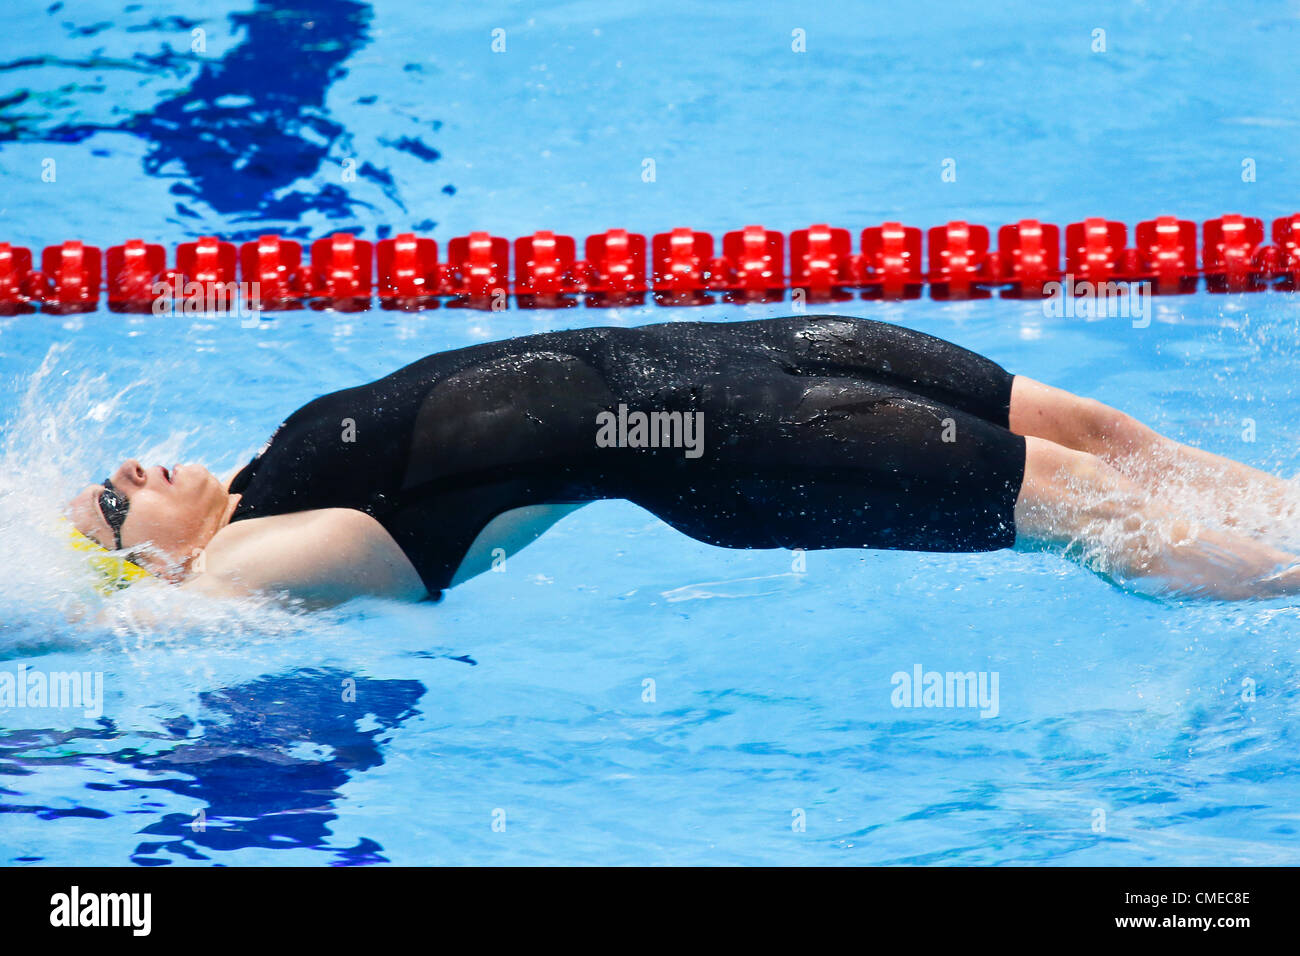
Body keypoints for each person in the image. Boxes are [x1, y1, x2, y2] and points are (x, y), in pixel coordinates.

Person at [63, 314, 1300, 606]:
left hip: (732, 354)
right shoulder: (261, 560)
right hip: (720, 439)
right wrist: (150, 589)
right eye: (119, 503)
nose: (128, 467)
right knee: (1093, 509)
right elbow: (156, 622)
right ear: (158, 564)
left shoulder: (260, 469)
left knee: (1102, 433)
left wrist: (106, 545)